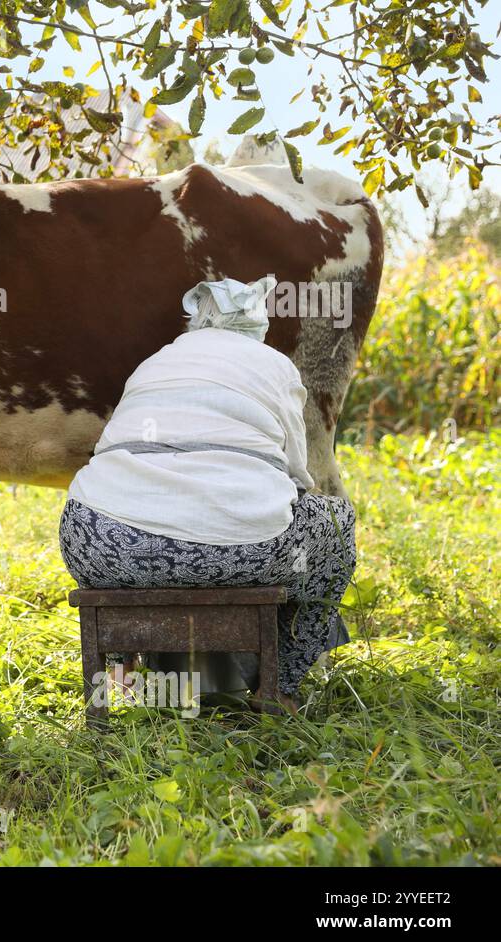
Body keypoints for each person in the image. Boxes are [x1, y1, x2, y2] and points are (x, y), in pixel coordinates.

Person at [60, 276, 356, 710]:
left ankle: (122, 665)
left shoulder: (156, 361)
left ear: (195, 323)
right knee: (336, 522)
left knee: (113, 499)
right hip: (236, 552)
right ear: (257, 326)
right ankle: (281, 687)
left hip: (100, 542)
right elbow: (297, 472)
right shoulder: (274, 365)